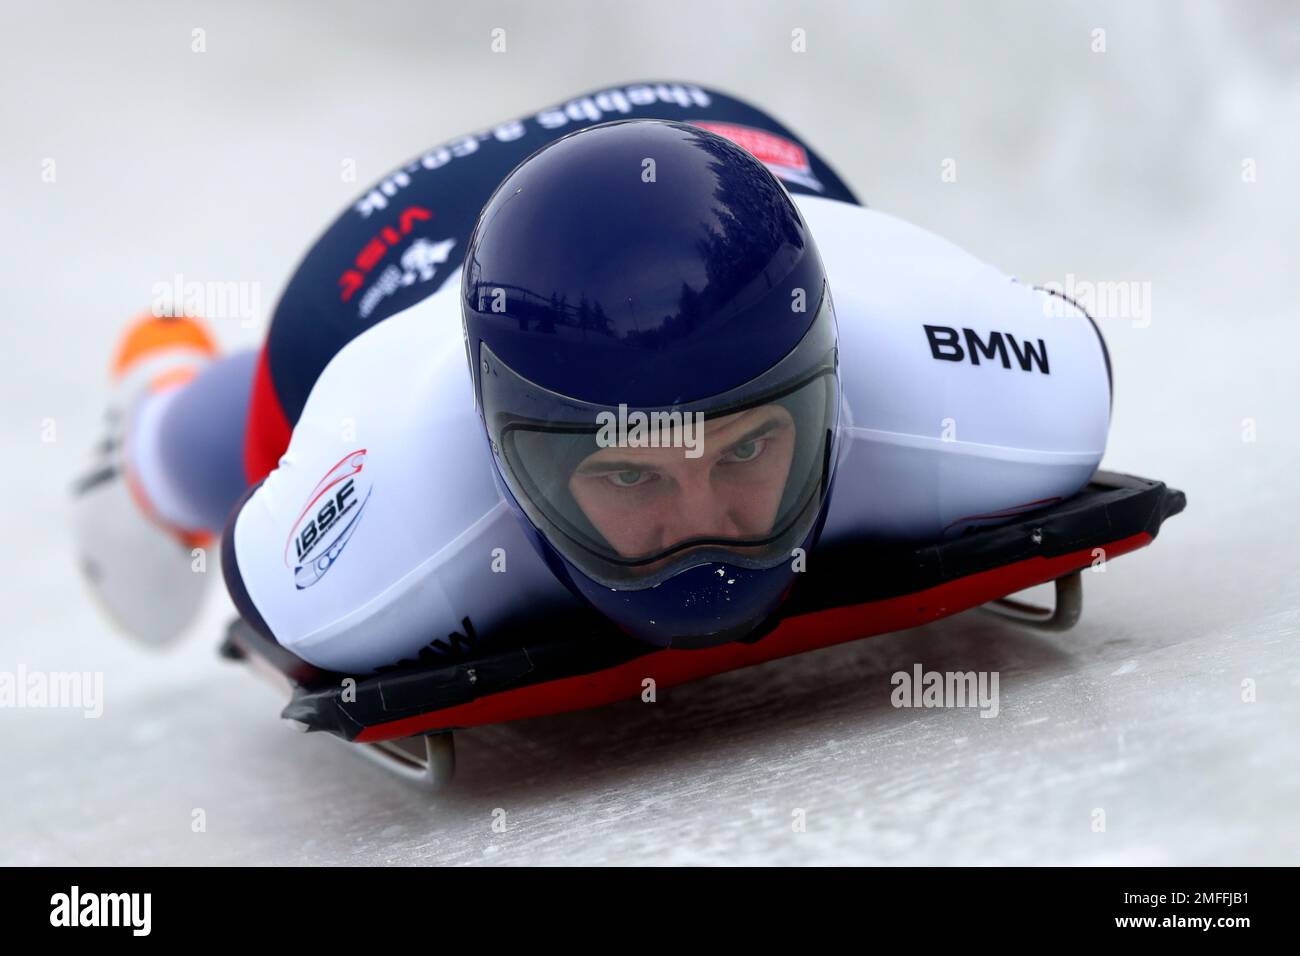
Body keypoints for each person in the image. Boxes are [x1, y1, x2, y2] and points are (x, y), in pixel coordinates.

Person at [72, 82, 1112, 673]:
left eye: (750, 444)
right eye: (633, 473)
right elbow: (276, 564)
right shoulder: (374, 533)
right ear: (508, 454)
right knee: (180, 479)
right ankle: (160, 395)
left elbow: (1043, 337)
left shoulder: (1001, 387)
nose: (705, 523)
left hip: (746, 160)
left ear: (822, 382)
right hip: (388, 269)